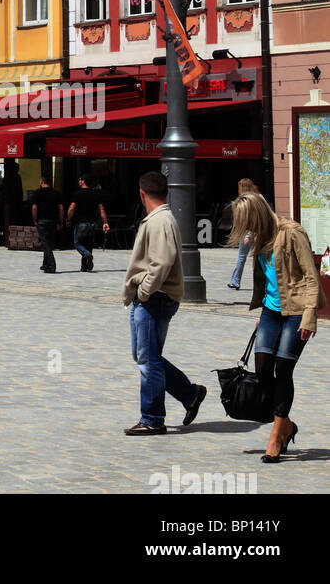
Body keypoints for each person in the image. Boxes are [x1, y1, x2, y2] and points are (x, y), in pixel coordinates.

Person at [228, 189, 326, 462]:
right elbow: (268, 281)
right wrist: (262, 310)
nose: (245, 229)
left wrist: (309, 315)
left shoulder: (291, 233)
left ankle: (275, 434)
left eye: (247, 221)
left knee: (283, 368)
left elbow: (310, 275)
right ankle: (286, 423)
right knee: (262, 370)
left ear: (256, 215)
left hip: (296, 311)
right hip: (271, 311)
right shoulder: (258, 239)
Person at [122, 171, 208, 436]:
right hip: (155, 298)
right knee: (147, 356)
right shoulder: (162, 219)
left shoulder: (159, 221)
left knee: (148, 361)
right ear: (167, 192)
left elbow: (161, 263)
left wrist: (144, 292)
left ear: (142, 193)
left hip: (154, 299)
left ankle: (152, 418)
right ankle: (190, 393)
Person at [67, 175, 110, 273]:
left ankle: (86, 255)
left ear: (83, 181)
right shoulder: (95, 194)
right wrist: (105, 222)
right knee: (88, 244)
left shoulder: (78, 194)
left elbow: (72, 208)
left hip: (80, 223)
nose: (79, 181)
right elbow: (102, 209)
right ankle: (84, 267)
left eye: (79, 180)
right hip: (92, 224)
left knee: (78, 243)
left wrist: (68, 219)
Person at [226, 178, 260, 290]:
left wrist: (248, 235)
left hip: (250, 232)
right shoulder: (257, 197)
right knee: (259, 257)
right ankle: (238, 281)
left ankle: (235, 281)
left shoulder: (248, 201)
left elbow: (252, 219)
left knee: (242, 257)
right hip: (257, 232)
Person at [32, 174, 62, 273]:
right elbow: (61, 209)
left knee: (45, 243)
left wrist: (35, 219)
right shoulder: (56, 193)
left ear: (42, 181)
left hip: (42, 221)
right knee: (49, 242)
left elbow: (34, 208)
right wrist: (61, 221)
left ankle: (52, 265)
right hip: (53, 221)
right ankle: (45, 264)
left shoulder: (38, 193)